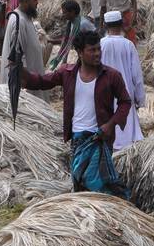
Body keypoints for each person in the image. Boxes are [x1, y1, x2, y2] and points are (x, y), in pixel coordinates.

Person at [20, 31, 131, 199]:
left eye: (98, 49)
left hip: (100, 138)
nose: (97, 54)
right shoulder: (67, 73)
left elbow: (125, 102)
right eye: (92, 50)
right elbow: (42, 82)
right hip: (77, 138)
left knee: (98, 183)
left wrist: (111, 124)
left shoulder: (111, 76)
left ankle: (109, 210)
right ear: (79, 53)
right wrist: (21, 72)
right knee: (79, 180)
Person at [100, 10, 145, 151]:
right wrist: (140, 98)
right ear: (121, 24)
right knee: (126, 124)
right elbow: (136, 75)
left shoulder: (100, 44)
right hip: (125, 91)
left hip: (104, 90)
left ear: (105, 25)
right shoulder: (128, 45)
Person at [0, 0, 45, 95]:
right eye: (34, 0)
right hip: (25, 82)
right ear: (25, 1)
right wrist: (24, 80)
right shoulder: (18, 20)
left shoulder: (26, 17)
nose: (37, 3)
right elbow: (18, 55)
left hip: (32, 74)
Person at [49, 0, 93, 70]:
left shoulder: (83, 24)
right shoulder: (70, 24)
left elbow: (94, 38)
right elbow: (68, 40)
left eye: (64, 12)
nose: (63, 15)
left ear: (72, 12)